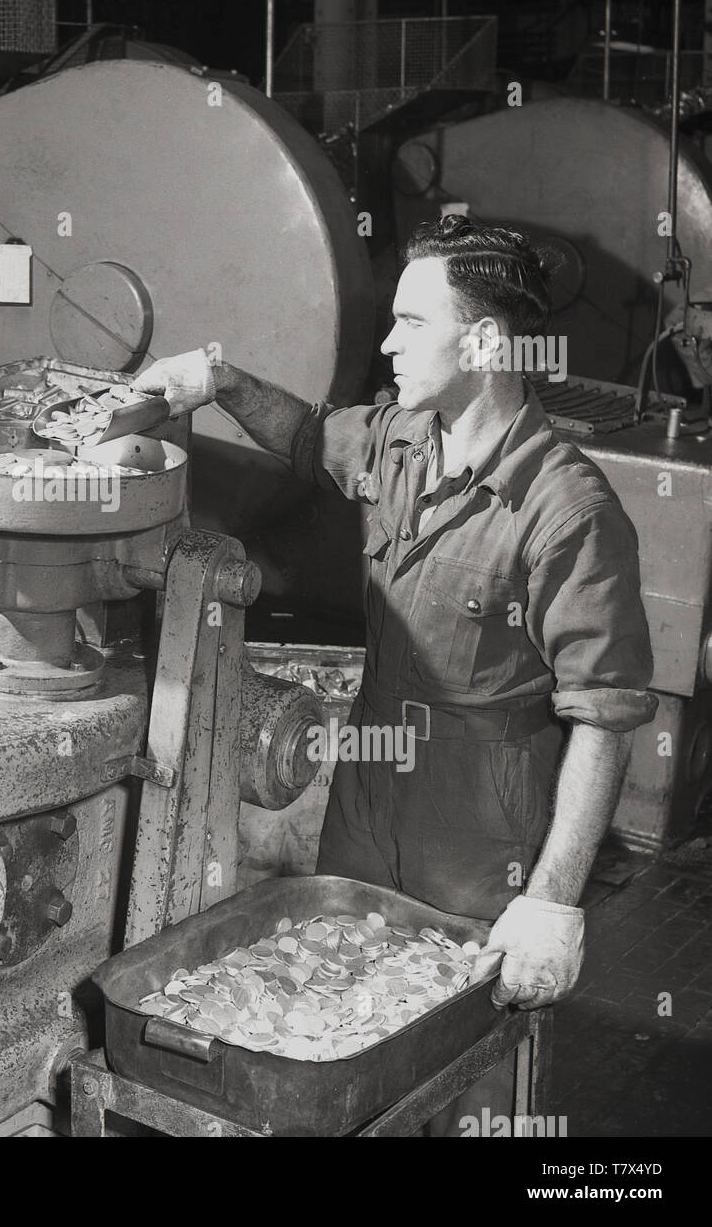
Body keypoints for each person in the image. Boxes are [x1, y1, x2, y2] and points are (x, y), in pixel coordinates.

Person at [134, 215, 656, 1132]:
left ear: (486, 341)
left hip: (481, 818)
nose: (385, 342)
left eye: (411, 322)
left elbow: (605, 717)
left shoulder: (566, 511)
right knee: (345, 1010)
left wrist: (551, 899)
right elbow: (302, 437)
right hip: (371, 788)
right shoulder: (399, 441)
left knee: (459, 1059)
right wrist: (216, 382)